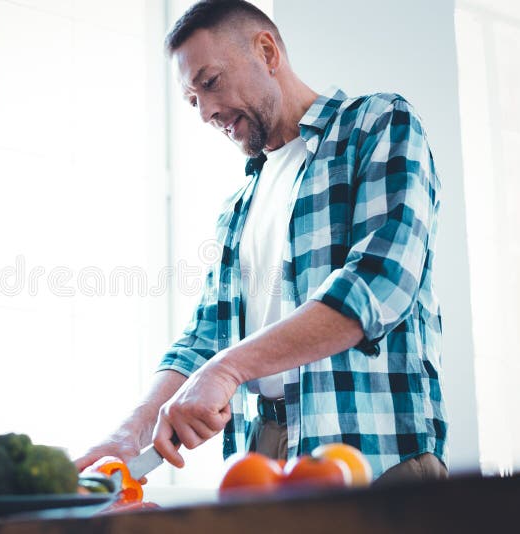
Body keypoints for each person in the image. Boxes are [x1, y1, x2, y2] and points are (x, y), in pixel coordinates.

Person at [75, 0, 448, 484]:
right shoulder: (239, 206)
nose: (206, 111)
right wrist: (131, 432)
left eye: (209, 83)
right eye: (193, 101)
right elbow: (205, 338)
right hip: (265, 458)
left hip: (378, 457)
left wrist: (227, 371)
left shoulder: (377, 124)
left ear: (267, 51)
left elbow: (379, 284)